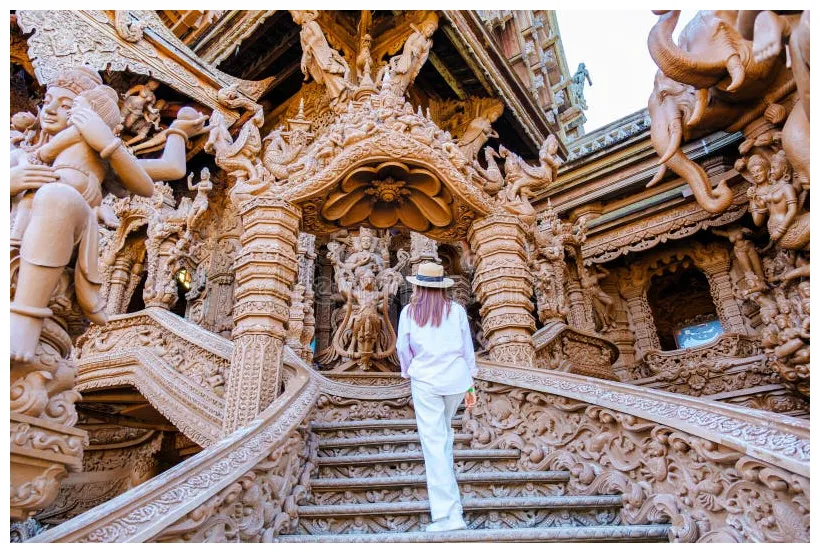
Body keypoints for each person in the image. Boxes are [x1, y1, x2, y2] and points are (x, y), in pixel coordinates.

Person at [396, 262, 477, 532]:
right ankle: (453, 509)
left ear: (418, 286)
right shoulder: (456, 311)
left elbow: (403, 347)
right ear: (443, 287)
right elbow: (468, 348)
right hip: (456, 379)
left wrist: (409, 372)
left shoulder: (410, 312)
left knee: (434, 445)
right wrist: (470, 385)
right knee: (443, 437)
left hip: (427, 380)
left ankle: (448, 517)